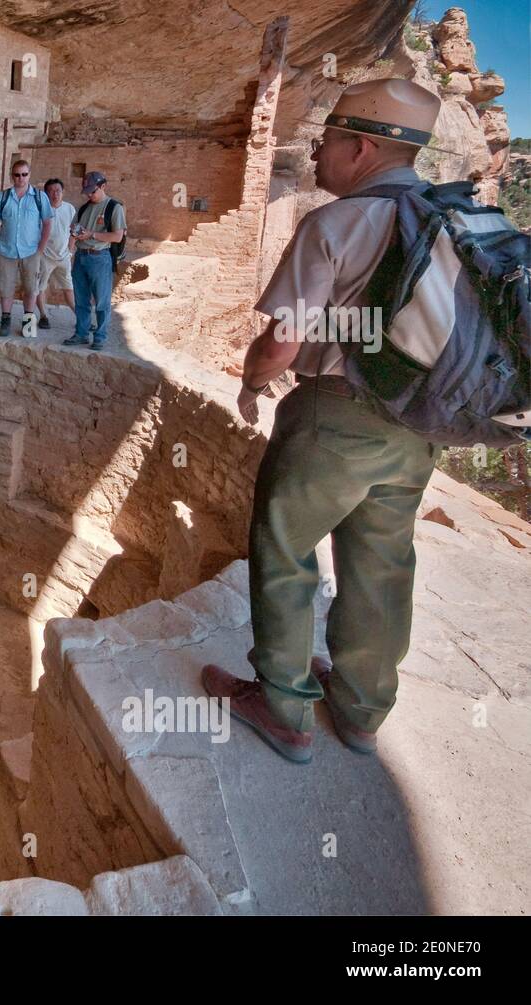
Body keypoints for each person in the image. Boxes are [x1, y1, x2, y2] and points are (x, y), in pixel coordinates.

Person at [201, 78, 447, 764]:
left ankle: (284, 706)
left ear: (362, 147)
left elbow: (284, 341)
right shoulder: (450, 221)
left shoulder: (336, 224)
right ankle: (362, 708)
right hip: (421, 422)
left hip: (337, 411)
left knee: (286, 551)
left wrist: (254, 380)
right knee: (382, 561)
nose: (315, 157)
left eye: (325, 142)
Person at [0, 158, 53, 336]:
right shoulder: (3, 197)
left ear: (29, 175)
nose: (21, 178)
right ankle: (6, 320)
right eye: (17, 175)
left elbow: (47, 223)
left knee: (31, 288)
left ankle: (27, 323)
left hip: (31, 251)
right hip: (7, 251)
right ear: (12, 176)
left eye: (24, 174)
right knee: (5, 287)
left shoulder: (39, 197)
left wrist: (40, 249)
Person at [65, 171, 125, 350]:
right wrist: (74, 236)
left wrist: (92, 234)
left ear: (103, 186)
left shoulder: (114, 207)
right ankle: (81, 333)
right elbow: (75, 230)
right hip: (81, 256)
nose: (90, 195)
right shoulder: (84, 208)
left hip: (100, 258)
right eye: (87, 192)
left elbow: (117, 236)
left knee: (101, 300)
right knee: (81, 299)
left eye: (93, 191)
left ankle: (100, 336)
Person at [36, 178, 77, 331]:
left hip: (64, 256)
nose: (55, 194)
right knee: (40, 287)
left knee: (69, 287)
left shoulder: (69, 209)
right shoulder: (42, 210)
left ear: (63, 192)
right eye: (51, 191)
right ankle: (43, 316)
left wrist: (71, 250)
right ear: (46, 194)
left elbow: (74, 231)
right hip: (45, 256)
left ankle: (80, 317)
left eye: (58, 191)